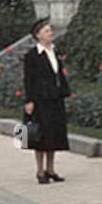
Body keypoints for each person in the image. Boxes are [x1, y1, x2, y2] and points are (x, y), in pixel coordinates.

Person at [22, 17, 70, 184]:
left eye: (50, 30)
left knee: (53, 134)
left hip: (55, 98)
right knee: (39, 136)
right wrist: (29, 101)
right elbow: (28, 79)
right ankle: (40, 171)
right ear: (38, 35)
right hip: (39, 100)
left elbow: (58, 74)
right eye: (47, 31)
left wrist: (64, 91)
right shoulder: (32, 56)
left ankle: (51, 169)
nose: (50, 33)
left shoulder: (54, 52)